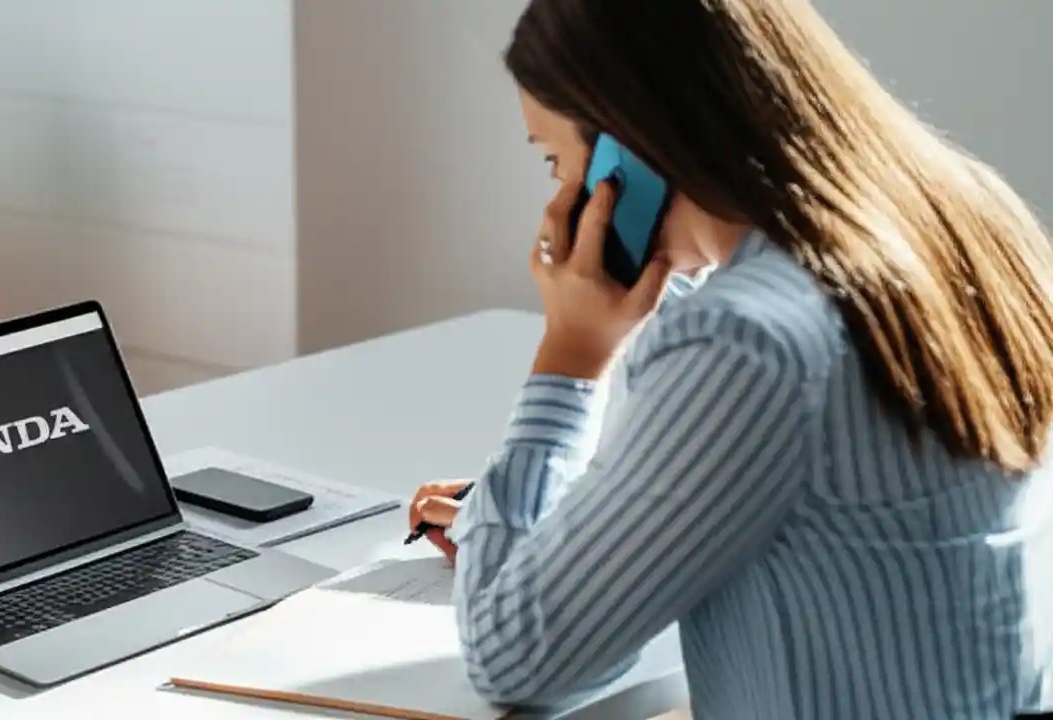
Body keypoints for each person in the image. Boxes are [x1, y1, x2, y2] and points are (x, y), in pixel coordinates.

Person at [407, 1, 1053, 719]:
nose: (559, 196)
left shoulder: (746, 338)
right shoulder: (974, 221)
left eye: (557, 160)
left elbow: (516, 661)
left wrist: (573, 354)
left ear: (628, 150)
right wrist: (570, 557)